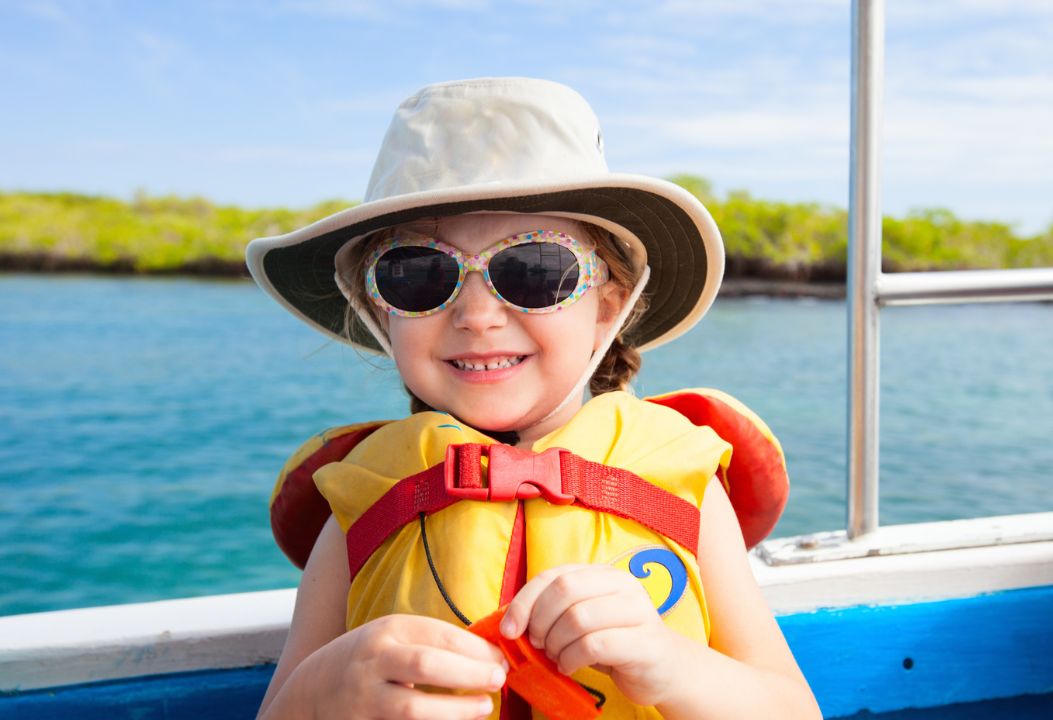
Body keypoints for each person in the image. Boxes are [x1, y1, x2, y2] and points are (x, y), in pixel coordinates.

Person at [247, 77, 821, 720]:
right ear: (380, 312)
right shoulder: (361, 496)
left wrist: (670, 665)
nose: (476, 315)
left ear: (609, 307)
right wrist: (320, 694)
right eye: (417, 274)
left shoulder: (684, 480)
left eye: (535, 269)